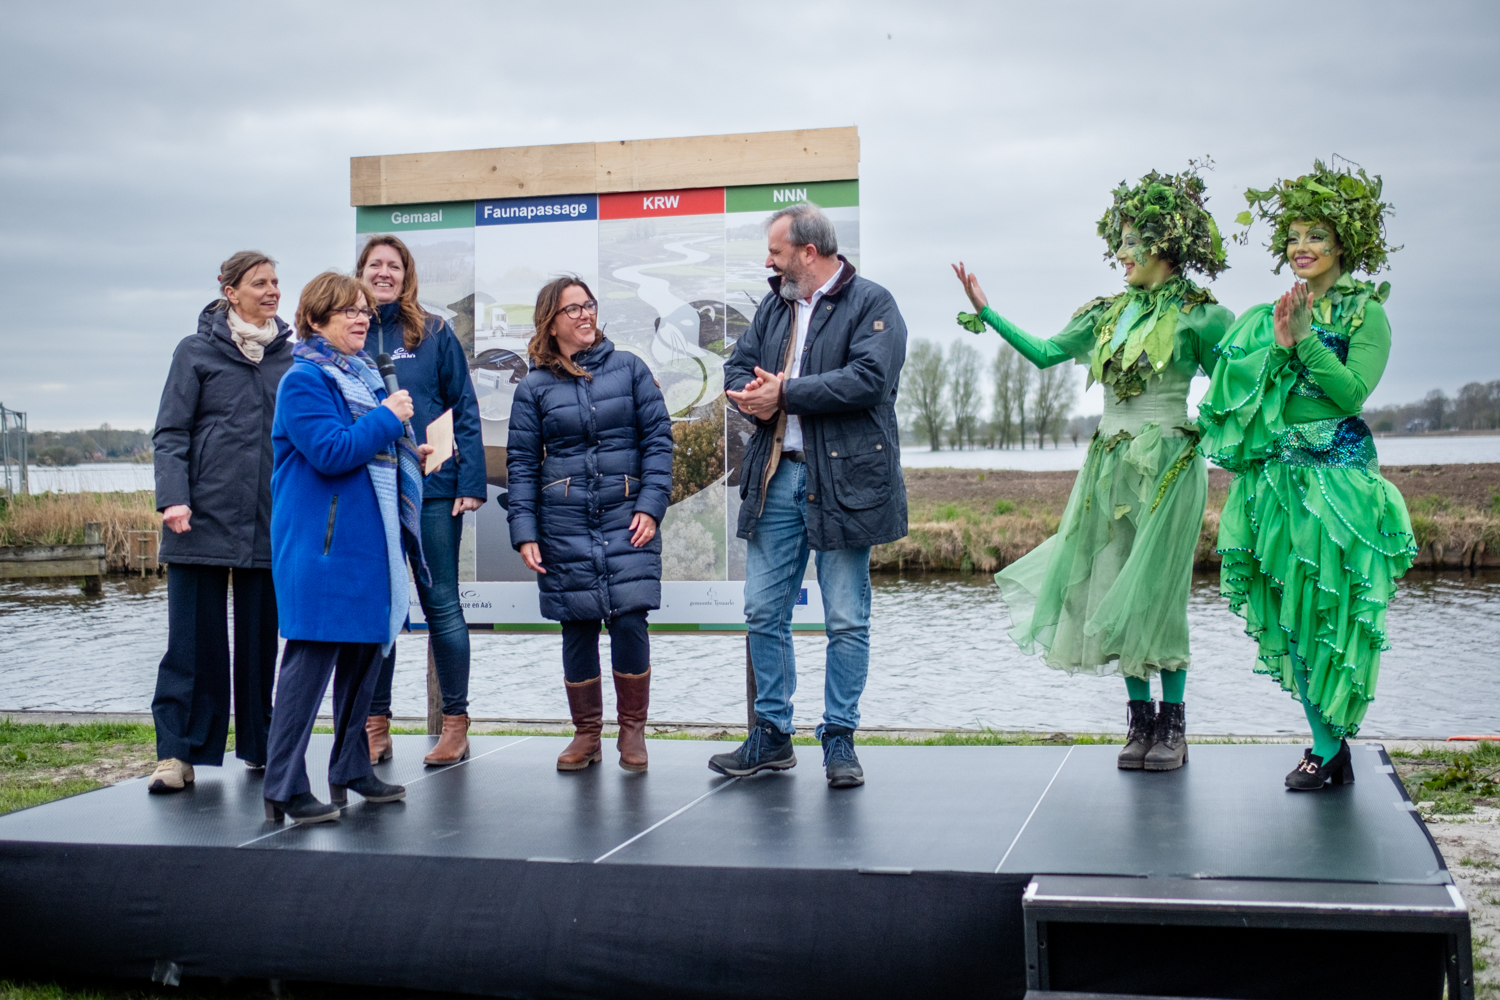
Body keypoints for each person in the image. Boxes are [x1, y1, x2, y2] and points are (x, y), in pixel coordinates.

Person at [953, 165, 1234, 772]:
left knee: (1160, 593)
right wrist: (988, 311)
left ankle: (1175, 727)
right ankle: (1139, 726)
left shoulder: (1202, 315)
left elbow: (1234, 383)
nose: (1122, 253)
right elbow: (1048, 353)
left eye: (1133, 242)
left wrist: (1201, 430)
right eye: (1121, 242)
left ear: (1165, 243)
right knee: (1109, 584)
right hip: (1108, 463)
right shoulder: (1106, 313)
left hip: (1168, 465)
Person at [1198, 160, 1414, 790]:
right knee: (1291, 613)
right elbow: (1239, 395)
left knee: (1333, 618)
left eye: (1315, 235)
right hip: (1275, 485)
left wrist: (1302, 341)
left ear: (1343, 242)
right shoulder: (1270, 311)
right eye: (1293, 237)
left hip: (1338, 486)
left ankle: (1331, 744)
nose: (1302, 247)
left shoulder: (1364, 314)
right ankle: (1324, 746)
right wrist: (1270, 341)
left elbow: (1350, 395)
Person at [714, 202, 908, 789]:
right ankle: (772, 734)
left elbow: (870, 380)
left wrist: (787, 394)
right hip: (777, 476)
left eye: (776, 252)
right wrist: (745, 393)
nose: (768, 262)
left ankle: (839, 738)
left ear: (809, 252)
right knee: (761, 611)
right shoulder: (775, 305)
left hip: (844, 482)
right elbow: (738, 364)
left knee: (846, 617)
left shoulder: (873, 303)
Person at [262, 271, 432, 823]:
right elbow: (332, 452)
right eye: (347, 312)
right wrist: (389, 420)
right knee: (308, 670)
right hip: (323, 549)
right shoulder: (304, 380)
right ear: (315, 320)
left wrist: (407, 450)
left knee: (364, 661)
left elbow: (371, 449)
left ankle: (350, 767)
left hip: (368, 546)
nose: (361, 318)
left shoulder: (361, 377)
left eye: (364, 310)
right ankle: (283, 784)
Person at [506, 277, 673, 773]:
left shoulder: (631, 369)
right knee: (576, 625)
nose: (584, 315)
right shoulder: (534, 386)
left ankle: (632, 731)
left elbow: (659, 443)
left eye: (588, 305)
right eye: (572, 308)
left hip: (627, 518)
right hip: (563, 523)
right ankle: (586, 734)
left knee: (628, 619)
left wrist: (651, 504)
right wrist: (525, 529)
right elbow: (521, 463)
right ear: (550, 322)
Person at [148, 251, 294, 793]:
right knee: (191, 643)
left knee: (261, 642)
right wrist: (174, 499)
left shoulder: (291, 359)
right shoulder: (195, 352)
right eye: (260, 282)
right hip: (197, 519)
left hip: (268, 521)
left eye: (277, 282)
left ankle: (262, 746)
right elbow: (170, 434)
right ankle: (177, 755)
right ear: (229, 291)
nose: (273, 290)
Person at [356, 235, 486, 767]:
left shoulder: (432, 332)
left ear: (407, 275)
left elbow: (465, 407)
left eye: (394, 265)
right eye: (375, 265)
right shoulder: (350, 331)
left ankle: (455, 724)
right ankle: (374, 724)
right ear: (360, 272)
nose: (384, 273)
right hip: (369, 489)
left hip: (432, 489)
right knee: (381, 608)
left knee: (442, 606)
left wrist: (470, 482)